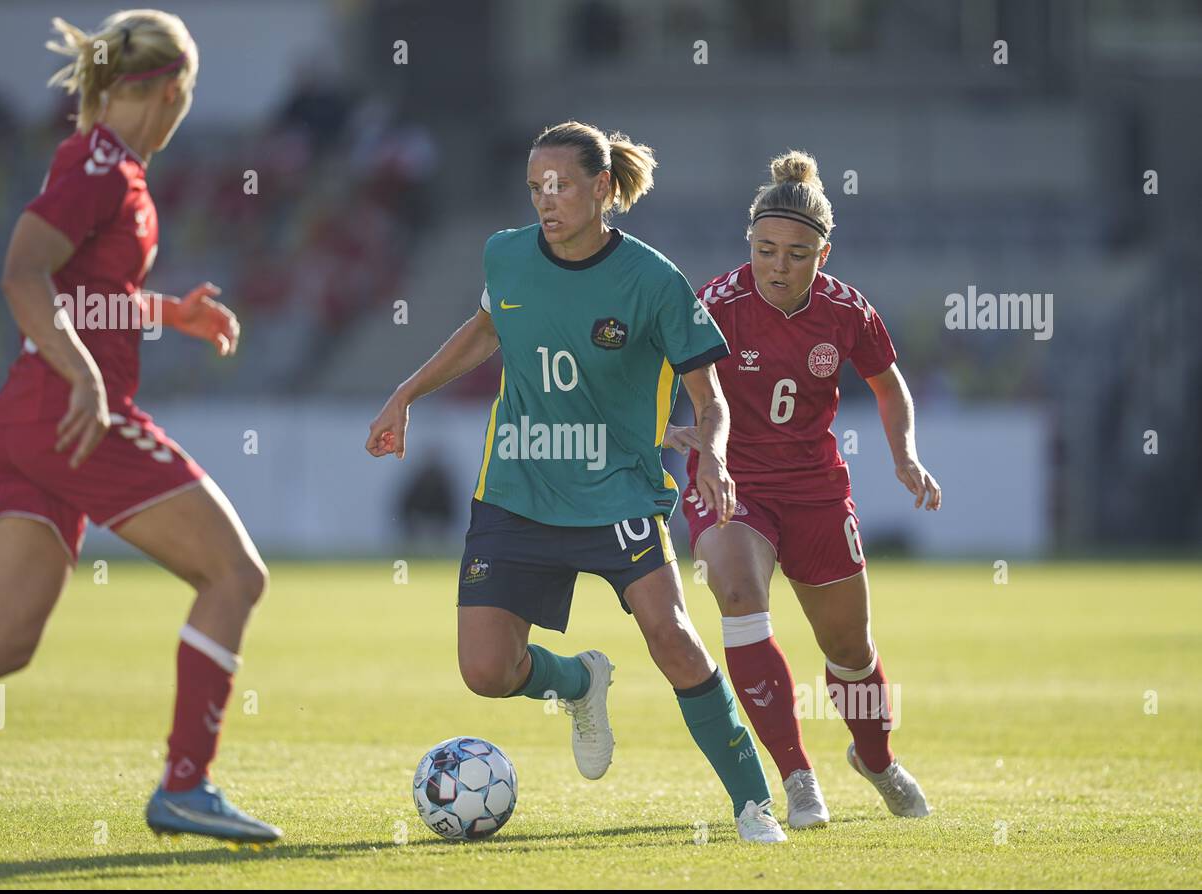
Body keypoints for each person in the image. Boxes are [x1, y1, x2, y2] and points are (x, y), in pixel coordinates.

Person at [0, 11, 280, 845]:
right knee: (235, 576)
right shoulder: (99, 167)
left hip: (30, 420)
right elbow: (21, 271)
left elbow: (74, 287)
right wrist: (82, 375)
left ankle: (187, 786)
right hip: (73, 415)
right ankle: (187, 785)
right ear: (173, 89)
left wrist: (164, 313)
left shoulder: (107, 166)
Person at [368, 120, 788, 842]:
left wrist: (713, 454)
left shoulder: (654, 281)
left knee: (675, 639)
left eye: (560, 185)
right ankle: (578, 682)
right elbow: (488, 326)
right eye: (536, 187)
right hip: (516, 491)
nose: (546, 199)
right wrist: (407, 392)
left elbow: (709, 398)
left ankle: (752, 802)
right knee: (486, 670)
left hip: (618, 493)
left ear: (601, 189)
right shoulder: (505, 255)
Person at [668, 150, 939, 828]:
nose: (777, 265)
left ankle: (876, 761)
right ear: (749, 243)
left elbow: (889, 385)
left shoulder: (847, 311)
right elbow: (658, 374)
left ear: (823, 254)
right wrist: (669, 432)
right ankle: (795, 776)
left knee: (849, 647)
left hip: (816, 487)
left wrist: (904, 457)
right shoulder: (716, 305)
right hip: (729, 477)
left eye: (795, 253)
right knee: (737, 592)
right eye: (765, 249)